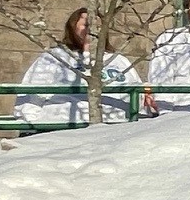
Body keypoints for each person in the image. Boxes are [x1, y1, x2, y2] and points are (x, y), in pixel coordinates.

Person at [15, 8, 144, 126]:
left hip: (117, 128)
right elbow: (32, 96)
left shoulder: (118, 60)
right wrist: (31, 126)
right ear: (73, 28)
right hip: (65, 127)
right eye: (87, 25)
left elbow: (139, 96)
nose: (93, 30)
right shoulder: (55, 58)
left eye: (98, 26)